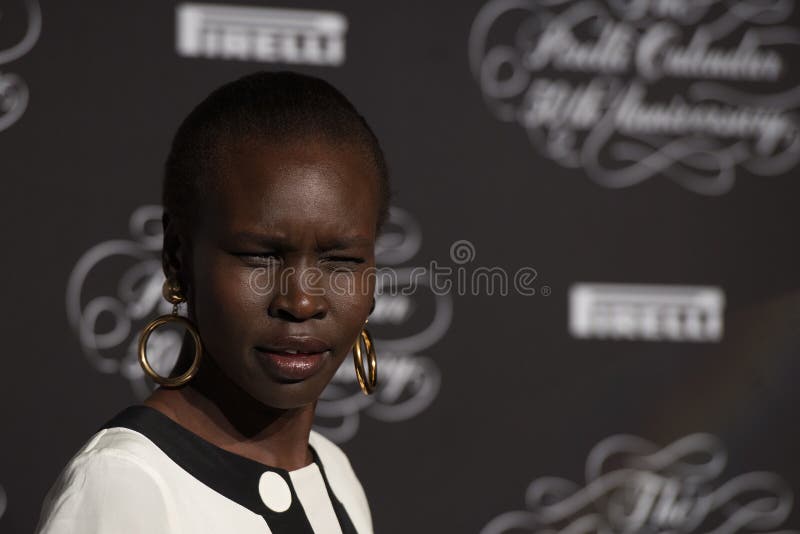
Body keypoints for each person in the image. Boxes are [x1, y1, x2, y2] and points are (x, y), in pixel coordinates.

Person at [34, 70, 390, 534]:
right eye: (259, 255)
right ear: (177, 257)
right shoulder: (128, 483)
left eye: (341, 260)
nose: (301, 301)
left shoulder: (336, 476)